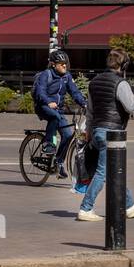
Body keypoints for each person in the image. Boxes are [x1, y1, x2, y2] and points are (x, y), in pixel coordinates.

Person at [78, 49, 134, 222]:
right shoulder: (120, 83)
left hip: (97, 131)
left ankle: (129, 205)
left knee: (112, 171)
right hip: (113, 132)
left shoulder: (94, 82)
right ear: (124, 65)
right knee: (103, 172)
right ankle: (85, 208)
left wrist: (88, 131)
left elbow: (90, 111)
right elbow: (131, 107)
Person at [34, 49, 88, 178]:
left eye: (66, 63)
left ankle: (58, 162)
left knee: (68, 135)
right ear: (53, 64)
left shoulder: (67, 76)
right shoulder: (46, 75)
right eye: (61, 63)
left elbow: (74, 92)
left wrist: (85, 104)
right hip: (43, 106)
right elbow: (40, 92)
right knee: (54, 116)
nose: (65, 65)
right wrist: (48, 102)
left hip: (58, 109)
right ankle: (48, 144)